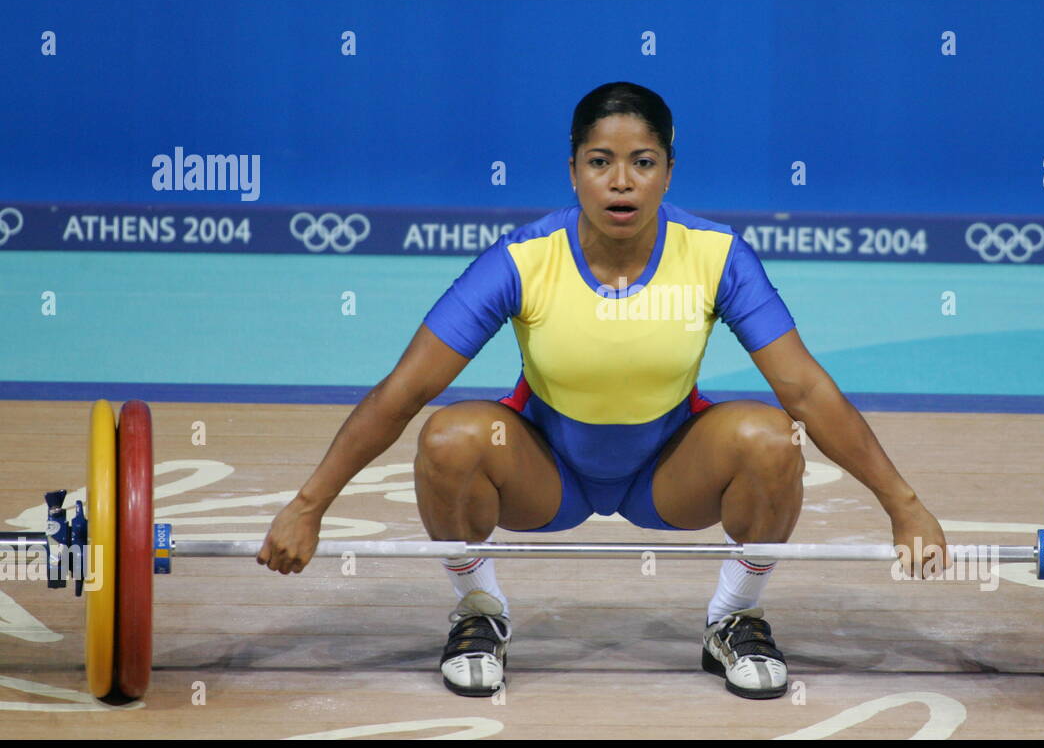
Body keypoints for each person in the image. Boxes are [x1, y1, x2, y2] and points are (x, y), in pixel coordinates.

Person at [257, 81, 949, 700]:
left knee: (773, 438)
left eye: (643, 163)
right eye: (601, 162)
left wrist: (905, 505)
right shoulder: (522, 260)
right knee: (449, 437)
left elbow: (806, 390)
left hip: (671, 470)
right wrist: (308, 505)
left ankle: (736, 616)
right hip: (545, 470)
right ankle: (478, 614)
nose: (622, 182)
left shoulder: (716, 256)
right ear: (573, 171)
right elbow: (403, 390)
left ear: (669, 172)